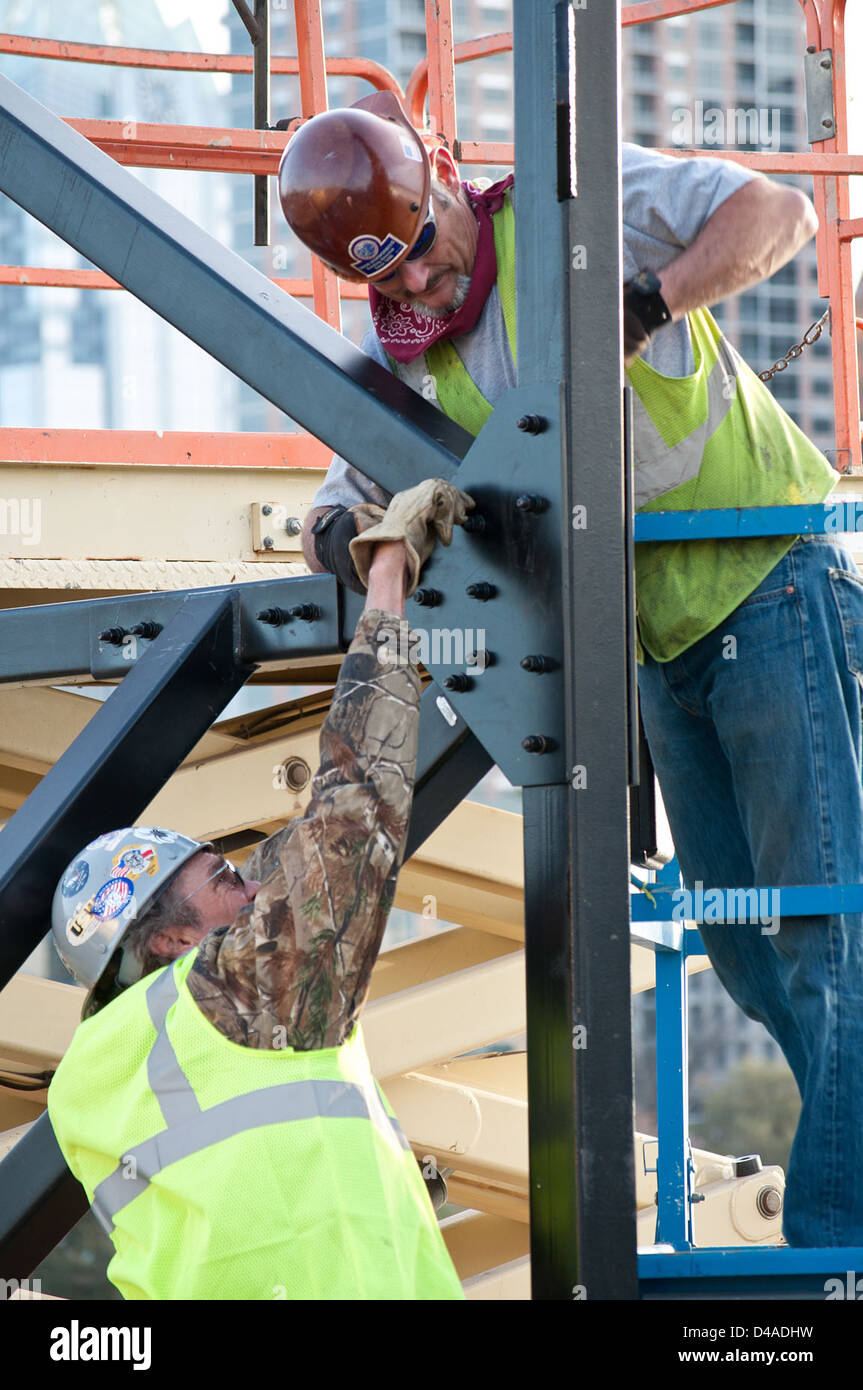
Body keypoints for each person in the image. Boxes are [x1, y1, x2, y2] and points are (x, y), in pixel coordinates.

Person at [279, 94, 863, 1250]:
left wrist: (643, 302)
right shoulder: (414, 354)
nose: (417, 292)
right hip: (651, 646)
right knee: (744, 947)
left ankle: (833, 1233)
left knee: (824, 933)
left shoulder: (575, 218)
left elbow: (777, 212)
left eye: (424, 256)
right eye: (386, 283)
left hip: (766, 585)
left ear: (443, 176)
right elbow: (332, 503)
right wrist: (355, 535)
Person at [47, 482, 472, 1301]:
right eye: (225, 880)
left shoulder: (88, 1083)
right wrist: (385, 580)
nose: (251, 889)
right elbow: (353, 806)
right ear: (170, 941)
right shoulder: (234, 989)